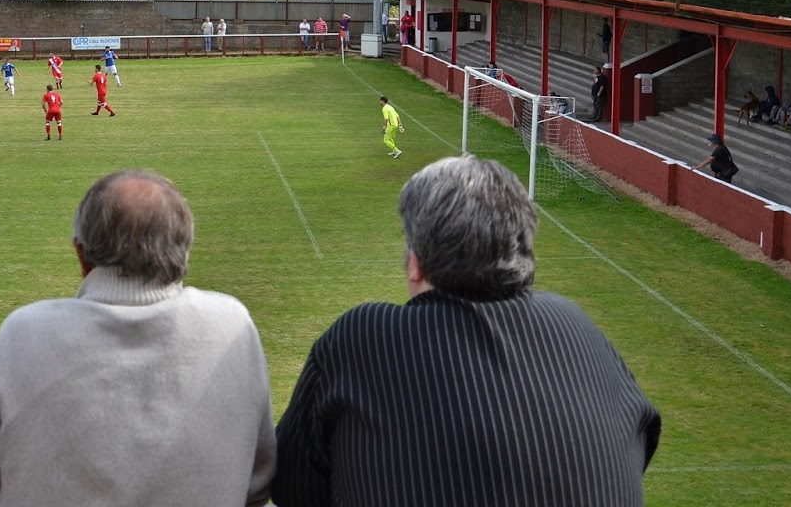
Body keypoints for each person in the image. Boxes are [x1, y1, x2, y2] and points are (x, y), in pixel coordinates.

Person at [274, 156, 661, 507]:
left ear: (416, 264)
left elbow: (293, 486)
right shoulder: (577, 327)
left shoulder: (363, 336)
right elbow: (640, 439)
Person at [0, 169, 274, 507]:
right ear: (183, 253)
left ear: (81, 256)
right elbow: (257, 480)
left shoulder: (23, 331)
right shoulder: (231, 324)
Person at [380, 94, 403, 159]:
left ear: (382, 101)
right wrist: (400, 125)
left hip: (391, 125)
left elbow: (386, 118)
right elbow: (397, 116)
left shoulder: (384, 109)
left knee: (385, 140)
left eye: (380, 101)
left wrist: (384, 128)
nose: (379, 102)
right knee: (389, 138)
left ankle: (397, 151)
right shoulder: (390, 107)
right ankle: (394, 151)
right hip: (395, 125)